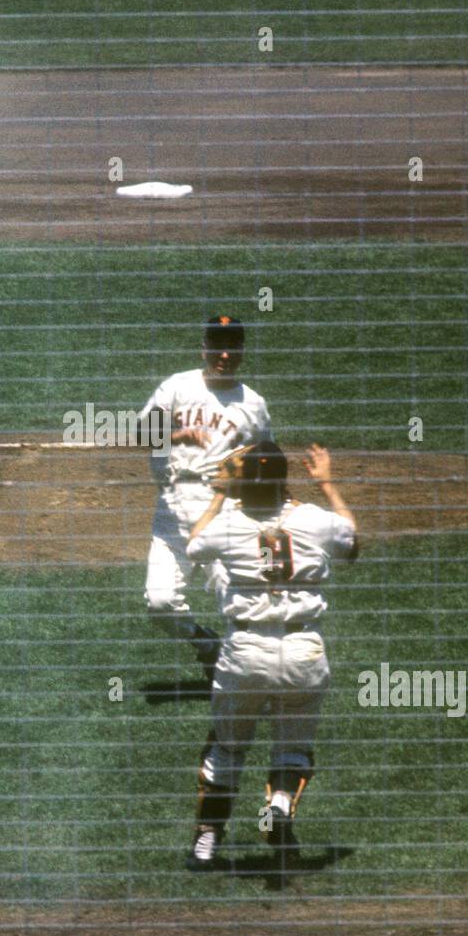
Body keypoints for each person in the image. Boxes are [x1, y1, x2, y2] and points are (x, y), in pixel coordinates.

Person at [183, 442, 357, 871]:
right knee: (293, 746)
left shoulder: (227, 525)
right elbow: (352, 542)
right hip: (303, 651)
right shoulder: (314, 520)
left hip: (245, 652)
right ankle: (278, 806)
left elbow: (193, 546)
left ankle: (206, 843)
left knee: (227, 746)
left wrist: (220, 492)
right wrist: (326, 483)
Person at [138, 315, 273, 682]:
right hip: (173, 508)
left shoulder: (253, 404)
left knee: (240, 602)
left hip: (224, 510)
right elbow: (141, 434)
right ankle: (205, 643)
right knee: (160, 603)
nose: (224, 355)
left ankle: (245, 674)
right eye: (217, 346)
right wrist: (178, 436)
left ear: (241, 352)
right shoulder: (176, 387)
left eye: (232, 347)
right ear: (204, 349)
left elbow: (268, 459)